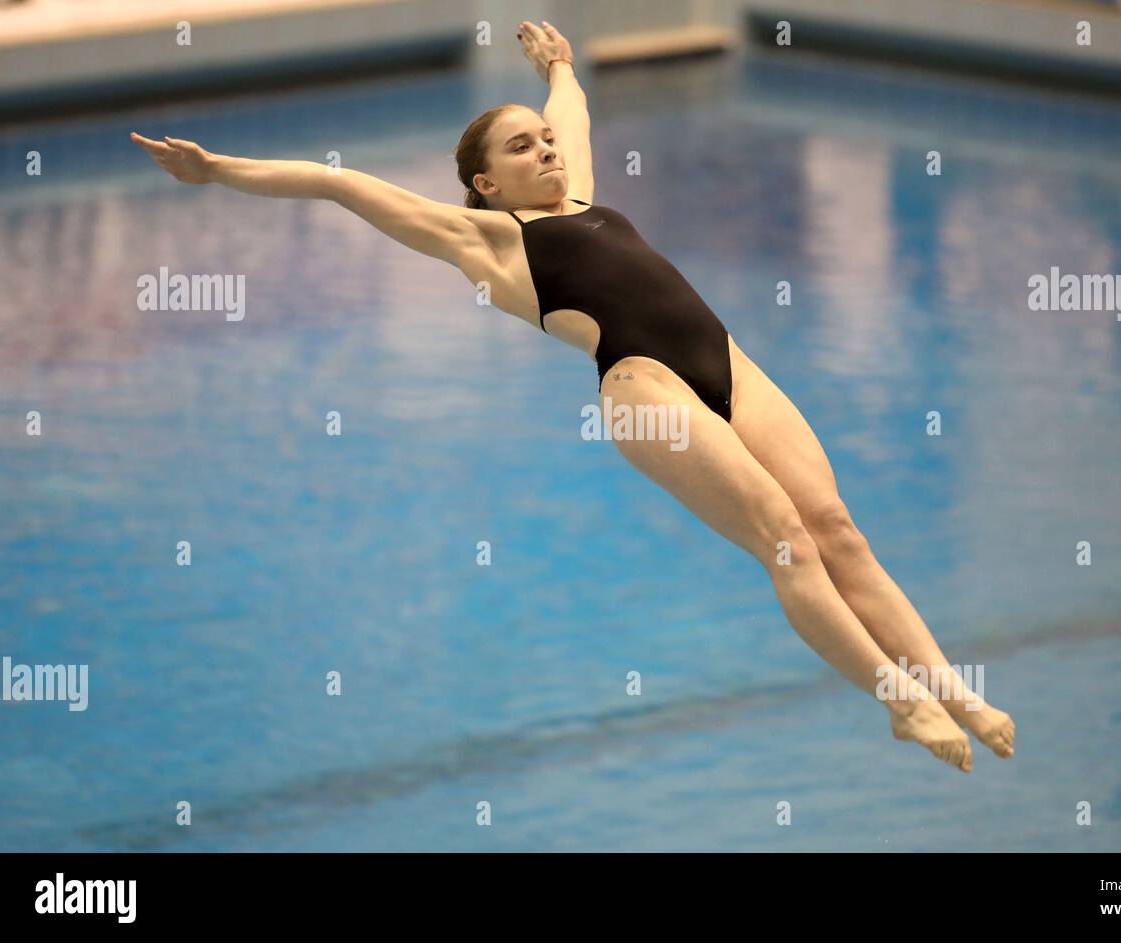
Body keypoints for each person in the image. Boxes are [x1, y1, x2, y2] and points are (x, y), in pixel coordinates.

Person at [131, 20, 1014, 772]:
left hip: (725, 360)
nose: (544, 150)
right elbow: (340, 184)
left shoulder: (583, 196)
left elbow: (573, 115)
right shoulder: (486, 240)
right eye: (520, 148)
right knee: (785, 541)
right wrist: (219, 172)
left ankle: (954, 690)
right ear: (485, 183)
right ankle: (898, 699)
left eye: (541, 142)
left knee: (836, 528)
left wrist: (556, 67)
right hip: (643, 386)